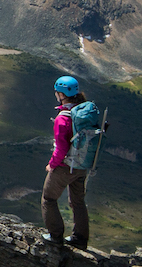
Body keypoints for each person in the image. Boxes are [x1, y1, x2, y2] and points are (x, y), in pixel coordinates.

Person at [42, 75, 106, 249]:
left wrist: (52, 165)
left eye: (57, 92)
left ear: (61, 94)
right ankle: (80, 238)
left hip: (64, 167)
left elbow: (61, 149)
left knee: (48, 199)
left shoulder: (63, 118)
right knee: (77, 201)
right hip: (82, 165)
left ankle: (55, 236)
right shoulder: (83, 112)